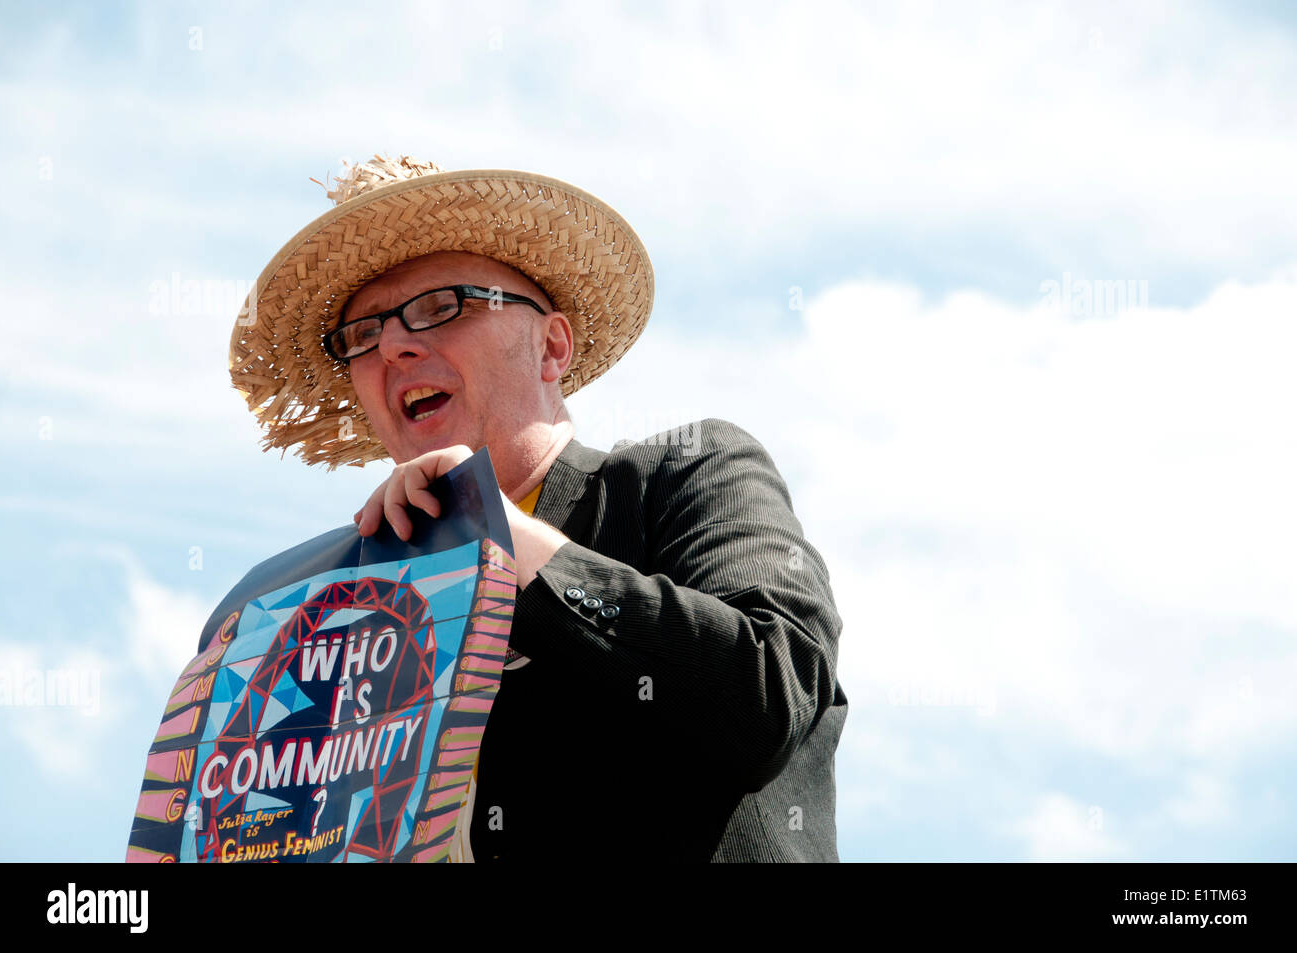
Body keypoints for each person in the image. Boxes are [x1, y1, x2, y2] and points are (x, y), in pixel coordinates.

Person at [230, 154, 847, 861]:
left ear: (551, 345)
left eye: (440, 307)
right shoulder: (347, 617)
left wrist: (502, 537)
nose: (394, 344)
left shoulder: (686, 470)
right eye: (361, 336)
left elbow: (767, 694)